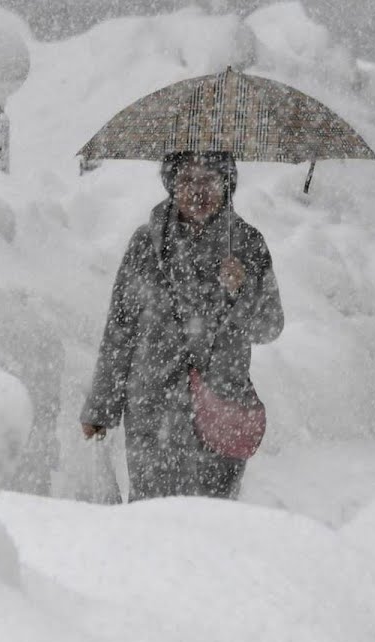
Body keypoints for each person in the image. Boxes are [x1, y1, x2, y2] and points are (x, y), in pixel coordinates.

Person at [80, 151, 284, 501]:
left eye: (209, 180)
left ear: (227, 184)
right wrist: (101, 408)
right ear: (171, 183)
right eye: (187, 179)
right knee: (151, 516)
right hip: (152, 410)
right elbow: (120, 330)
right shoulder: (146, 243)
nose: (197, 191)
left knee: (212, 520)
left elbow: (270, 326)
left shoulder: (247, 244)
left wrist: (244, 289)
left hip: (219, 407)